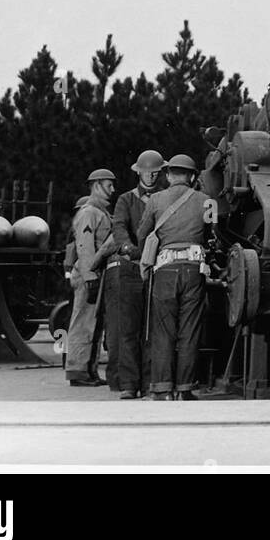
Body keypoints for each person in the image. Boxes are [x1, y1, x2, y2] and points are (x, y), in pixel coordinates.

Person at [137, 154, 211, 401]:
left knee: (163, 330)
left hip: (165, 270)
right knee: (189, 330)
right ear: (192, 176)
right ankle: (185, 388)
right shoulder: (207, 201)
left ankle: (162, 389)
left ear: (169, 175)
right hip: (193, 268)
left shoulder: (156, 199)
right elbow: (215, 236)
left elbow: (142, 234)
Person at [103, 150, 165, 399]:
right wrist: (127, 248)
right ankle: (129, 384)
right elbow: (118, 226)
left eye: (155, 172)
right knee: (128, 330)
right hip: (130, 268)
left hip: (155, 268)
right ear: (138, 172)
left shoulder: (163, 199)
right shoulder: (126, 200)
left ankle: (149, 382)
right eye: (146, 172)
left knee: (152, 329)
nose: (150, 177)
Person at [66, 171, 115, 386]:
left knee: (93, 323)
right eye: (108, 185)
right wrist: (89, 276)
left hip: (95, 273)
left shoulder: (100, 212)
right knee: (83, 322)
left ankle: (89, 370)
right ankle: (78, 371)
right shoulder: (89, 213)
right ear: (96, 185)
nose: (112, 189)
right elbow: (84, 247)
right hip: (89, 273)